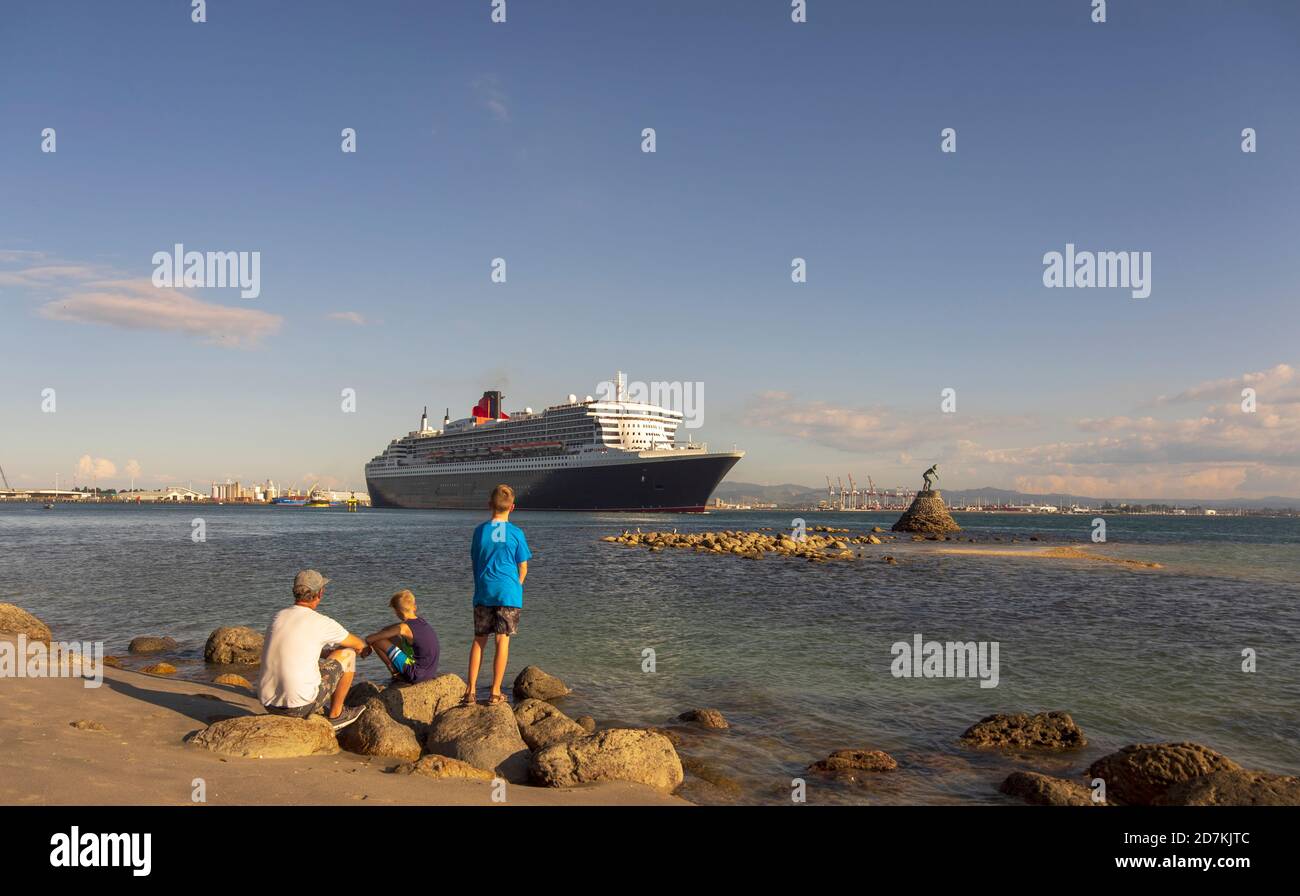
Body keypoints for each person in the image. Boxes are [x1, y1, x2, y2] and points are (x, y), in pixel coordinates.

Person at [257, 569, 366, 730]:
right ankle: (336, 715)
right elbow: (358, 644)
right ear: (320, 593)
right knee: (348, 654)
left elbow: (292, 644)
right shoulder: (322, 622)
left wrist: (324, 653)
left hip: (268, 703)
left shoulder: (278, 616)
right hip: (298, 708)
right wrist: (366, 648)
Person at [463, 484, 531, 706]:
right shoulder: (516, 533)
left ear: (489, 505)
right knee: (502, 641)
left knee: (479, 640)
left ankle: (470, 691)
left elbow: (475, 562)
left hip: (484, 591)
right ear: (512, 507)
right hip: (508, 594)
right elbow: (523, 567)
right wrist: (516, 586)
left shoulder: (480, 531)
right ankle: (494, 692)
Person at [361, 589, 441, 684]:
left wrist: (366, 645)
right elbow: (389, 630)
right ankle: (401, 669)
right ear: (415, 607)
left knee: (378, 641)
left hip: (416, 675)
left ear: (397, 612)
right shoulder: (420, 622)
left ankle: (396, 673)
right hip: (429, 673)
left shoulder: (404, 628)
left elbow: (371, 638)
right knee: (391, 636)